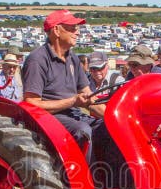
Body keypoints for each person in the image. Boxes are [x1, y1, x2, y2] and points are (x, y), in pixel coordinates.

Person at [23, 10, 106, 170]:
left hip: (71, 114)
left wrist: (114, 117)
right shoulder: (38, 59)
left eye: (77, 28)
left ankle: (111, 183)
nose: (77, 32)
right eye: (72, 27)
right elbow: (30, 103)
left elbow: (89, 97)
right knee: (83, 131)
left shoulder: (73, 59)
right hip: (48, 118)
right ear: (56, 30)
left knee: (106, 128)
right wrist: (73, 101)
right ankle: (83, 186)